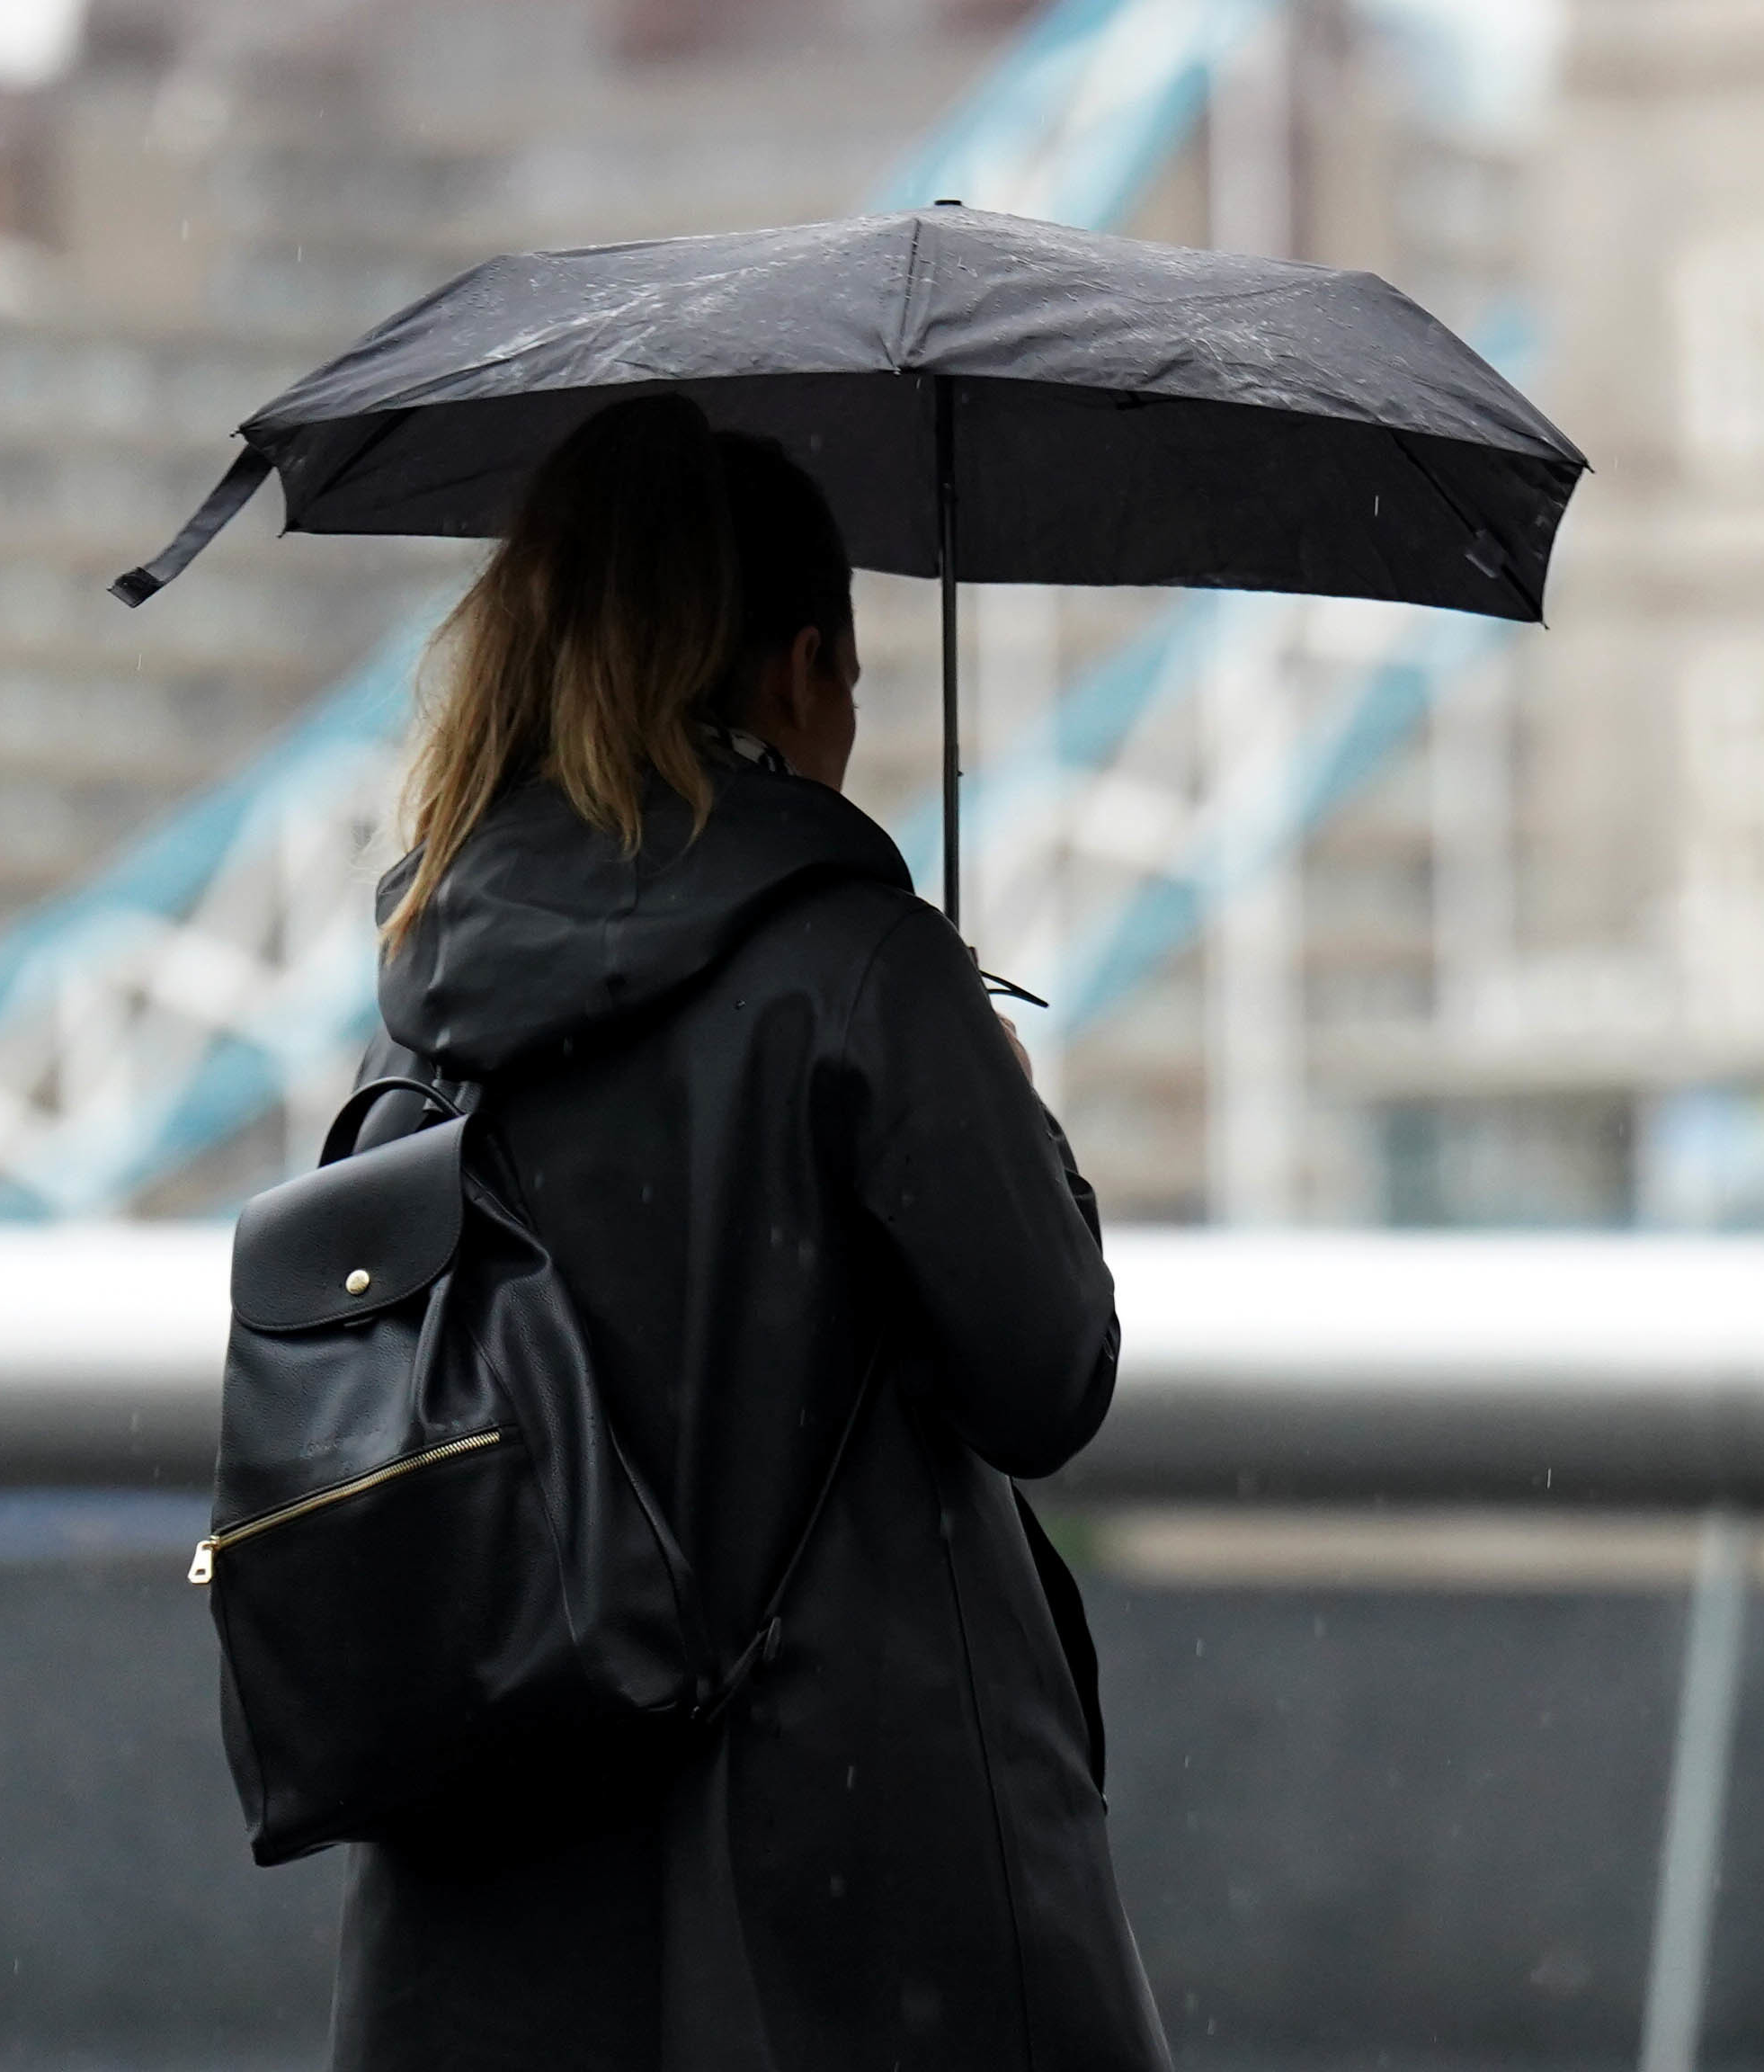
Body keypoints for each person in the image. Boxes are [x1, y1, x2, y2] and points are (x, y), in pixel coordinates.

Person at [327, 391, 1166, 2072]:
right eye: (851, 677)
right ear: (800, 672)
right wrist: (1004, 1098)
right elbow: (1048, 1376)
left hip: (502, 1868)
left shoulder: (429, 990)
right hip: (851, 1866)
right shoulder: (859, 969)